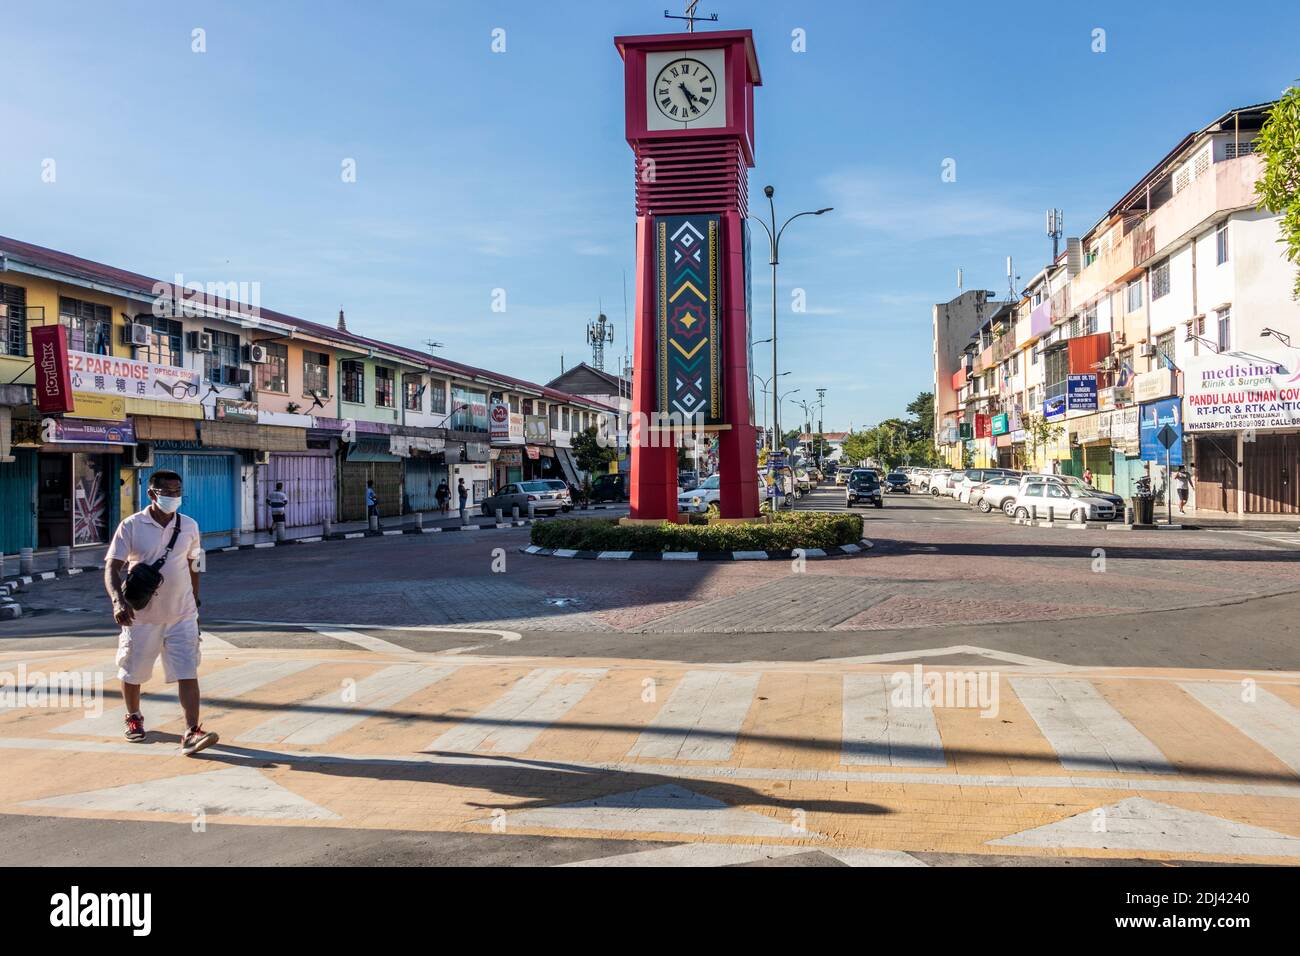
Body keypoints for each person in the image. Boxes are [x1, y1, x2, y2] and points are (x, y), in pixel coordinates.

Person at [104, 470, 217, 756]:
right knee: (133, 670)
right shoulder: (131, 526)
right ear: (152, 494)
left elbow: (195, 563)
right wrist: (118, 601)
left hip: (182, 614)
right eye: (168, 492)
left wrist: (195, 600)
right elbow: (111, 567)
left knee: (187, 670)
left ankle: (192, 730)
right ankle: (134, 716)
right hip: (141, 616)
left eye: (178, 491)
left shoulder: (190, 526)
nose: (174, 497)